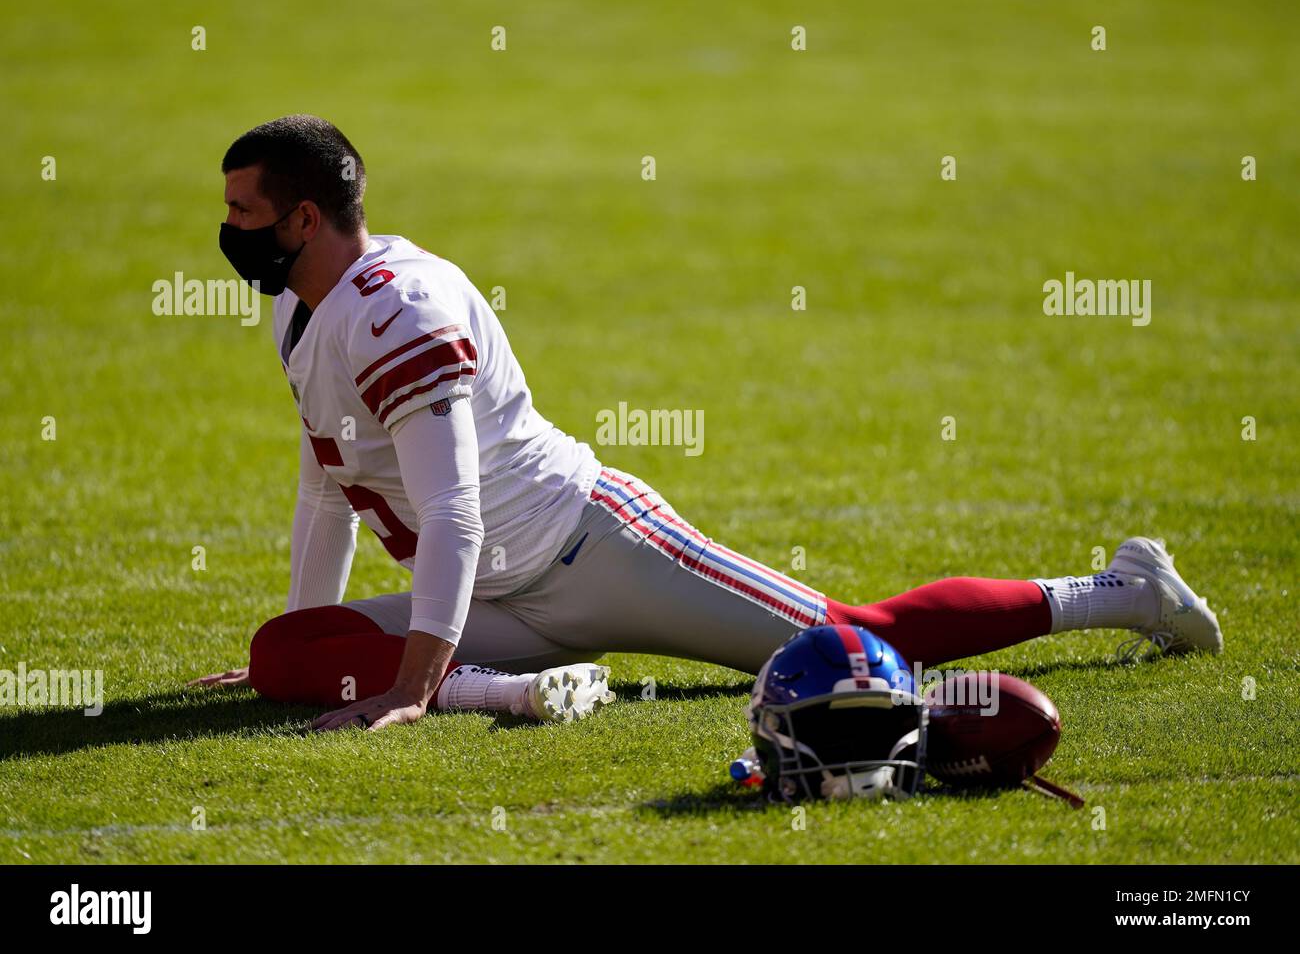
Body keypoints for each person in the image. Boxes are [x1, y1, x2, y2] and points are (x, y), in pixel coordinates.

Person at [191, 115, 1222, 731]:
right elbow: (327, 479)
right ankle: (515, 692)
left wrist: (410, 685)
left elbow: (453, 505)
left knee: (855, 648)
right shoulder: (297, 303)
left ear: (306, 219)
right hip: (498, 598)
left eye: (243, 211)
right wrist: (305, 626)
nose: (228, 229)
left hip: (596, 548)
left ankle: (1121, 588)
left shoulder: (398, 309)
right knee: (284, 654)